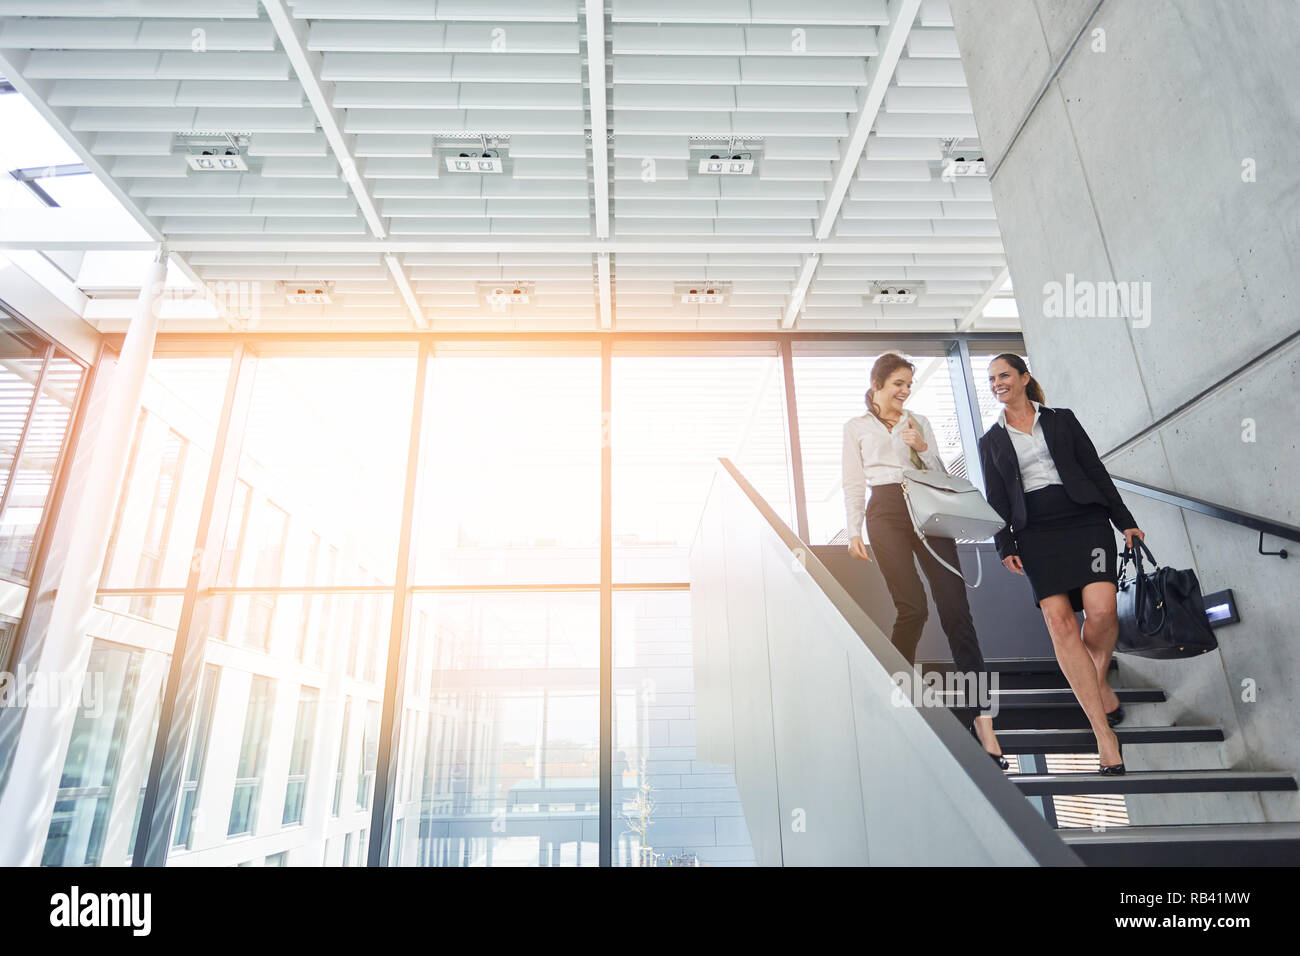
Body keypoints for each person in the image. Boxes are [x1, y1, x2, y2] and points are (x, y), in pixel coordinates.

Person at [977, 354, 1142, 774]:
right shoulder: (991, 440)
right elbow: (995, 499)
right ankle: (1104, 735)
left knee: (1103, 610)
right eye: (992, 378)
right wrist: (1004, 543)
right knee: (1060, 622)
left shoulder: (1062, 419)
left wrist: (1126, 522)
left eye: (1005, 375)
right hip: (1035, 532)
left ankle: (1096, 679)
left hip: (1085, 518)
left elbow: (1095, 470)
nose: (998, 382)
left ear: (1024, 377)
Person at [843, 353, 1007, 768]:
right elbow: (853, 479)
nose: (904, 391)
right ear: (877, 383)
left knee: (956, 609)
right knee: (912, 608)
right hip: (884, 512)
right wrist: (853, 529)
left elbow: (939, 472)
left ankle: (983, 721)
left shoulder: (919, 422)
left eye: (908, 385)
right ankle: (891, 692)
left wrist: (921, 448)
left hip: (925, 504)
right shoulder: (856, 427)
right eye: (898, 383)